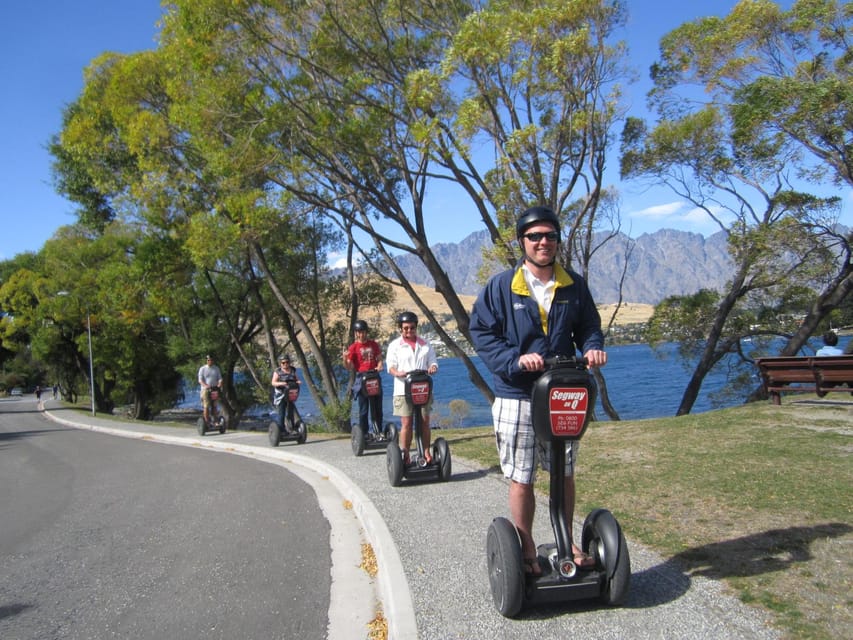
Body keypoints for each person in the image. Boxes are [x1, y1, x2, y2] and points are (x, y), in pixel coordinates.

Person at [469, 205, 607, 576]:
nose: (543, 242)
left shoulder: (573, 285)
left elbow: (590, 326)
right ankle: (526, 544)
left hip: (562, 391)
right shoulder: (502, 286)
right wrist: (515, 360)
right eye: (535, 236)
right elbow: (481, 333)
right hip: (517, 394)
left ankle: (566, 542)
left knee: (564, 471)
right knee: (522, 475)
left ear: (558, 241)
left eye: (550, 236)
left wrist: (592, 347)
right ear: (522, 242)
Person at [386, 311, 438, 464]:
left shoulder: (425, 344)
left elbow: (433, 361)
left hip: (422, 388)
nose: (409, 331)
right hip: (403, 389)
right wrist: (398, 372)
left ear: (416, 327)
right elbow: (390, 367)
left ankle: (426, 452)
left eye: (412, 328)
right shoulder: (395, 346)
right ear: (400, 329)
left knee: (424, 421)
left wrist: (433, 367)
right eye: (406, 328)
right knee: (407, 423)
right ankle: (406, 453)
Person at [343, 320, 384, 433]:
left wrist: (380, 365)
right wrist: (344, 359)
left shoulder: (373, 344)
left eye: (363, 332)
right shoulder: (353, 347)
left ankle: (378, 432)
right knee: (364, 410)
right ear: (356, 333)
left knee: (377, 409)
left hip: (374, 376)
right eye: (359, 332)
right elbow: (349, 367)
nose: (362, 334)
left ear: (366, 332)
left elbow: (380, 359)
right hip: (362, 378)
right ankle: (364, 434)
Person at [271, 354, 301, 431]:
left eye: (287, 362)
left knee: (291, 412)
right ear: (280, 363)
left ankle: (292, 428)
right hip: (281, 395)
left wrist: (298, 382)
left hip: (290, 394)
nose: (285, 364)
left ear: (289, 362)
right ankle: (281, 430)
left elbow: (296, 379)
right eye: (283, 363)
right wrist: (281, 383)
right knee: (282, 413)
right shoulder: (278, 371)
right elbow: (273, 383)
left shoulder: (292, 370)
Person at [197, 354, 223, 425]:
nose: (210, 361)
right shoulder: (202, 369)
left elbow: (220, 378)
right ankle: (207, 421)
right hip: (205, 390)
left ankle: (215, 421)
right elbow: (200, 380)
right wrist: (205, 385)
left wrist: (220, 383)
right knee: (206, 406)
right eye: (208, 360)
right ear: (206, 361)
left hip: (214, 389)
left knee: (214, 405)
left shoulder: (216, 368)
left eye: (211, 360)